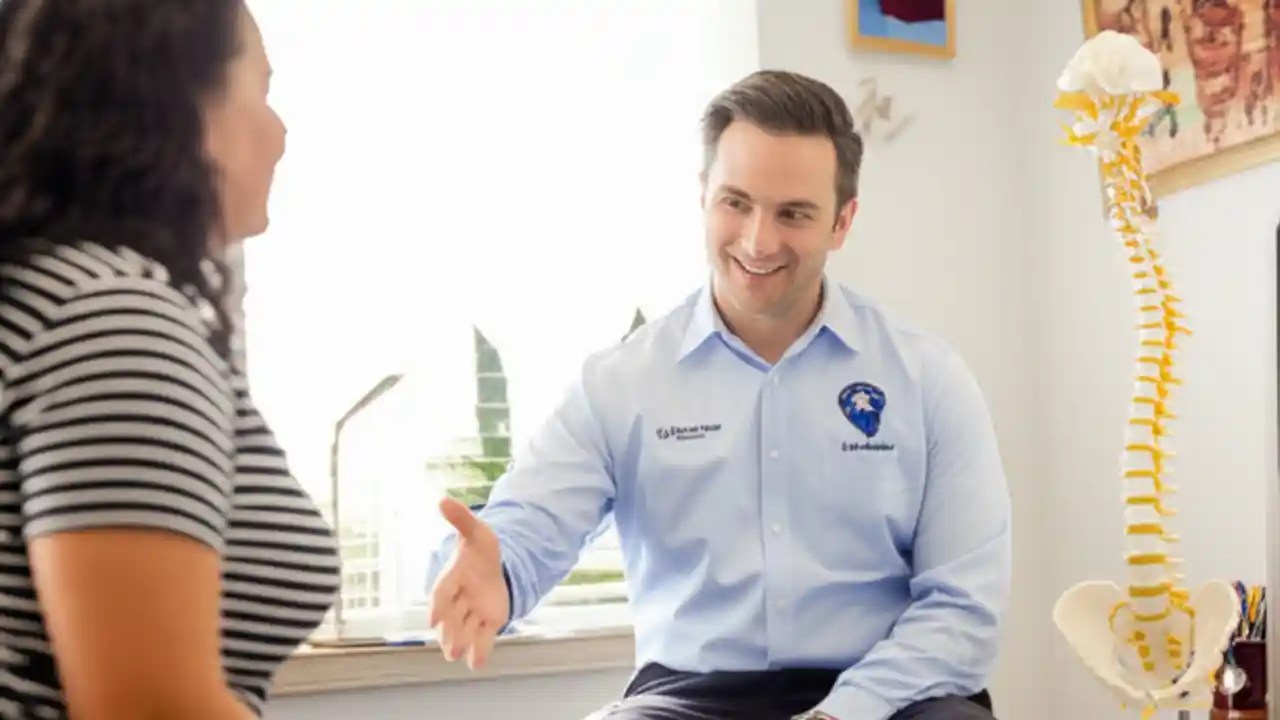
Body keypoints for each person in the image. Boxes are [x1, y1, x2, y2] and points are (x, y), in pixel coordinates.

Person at [426, 69, 1011, 720]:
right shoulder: (620, 384)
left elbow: (963, 608)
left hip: (888, 698)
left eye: (793, 213)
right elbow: (527, 525)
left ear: (842, 222)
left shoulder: (929, 380)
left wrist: (839, 714)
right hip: (687, 699)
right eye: (736, 203)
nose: (758, 241)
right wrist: (490, 572)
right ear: (703, 196)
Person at [0, 1, 338, 717]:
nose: (280, 134)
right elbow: (151, 708)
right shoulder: (114, 319)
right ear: (179, 101)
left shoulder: (61, 292)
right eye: (262, 89)